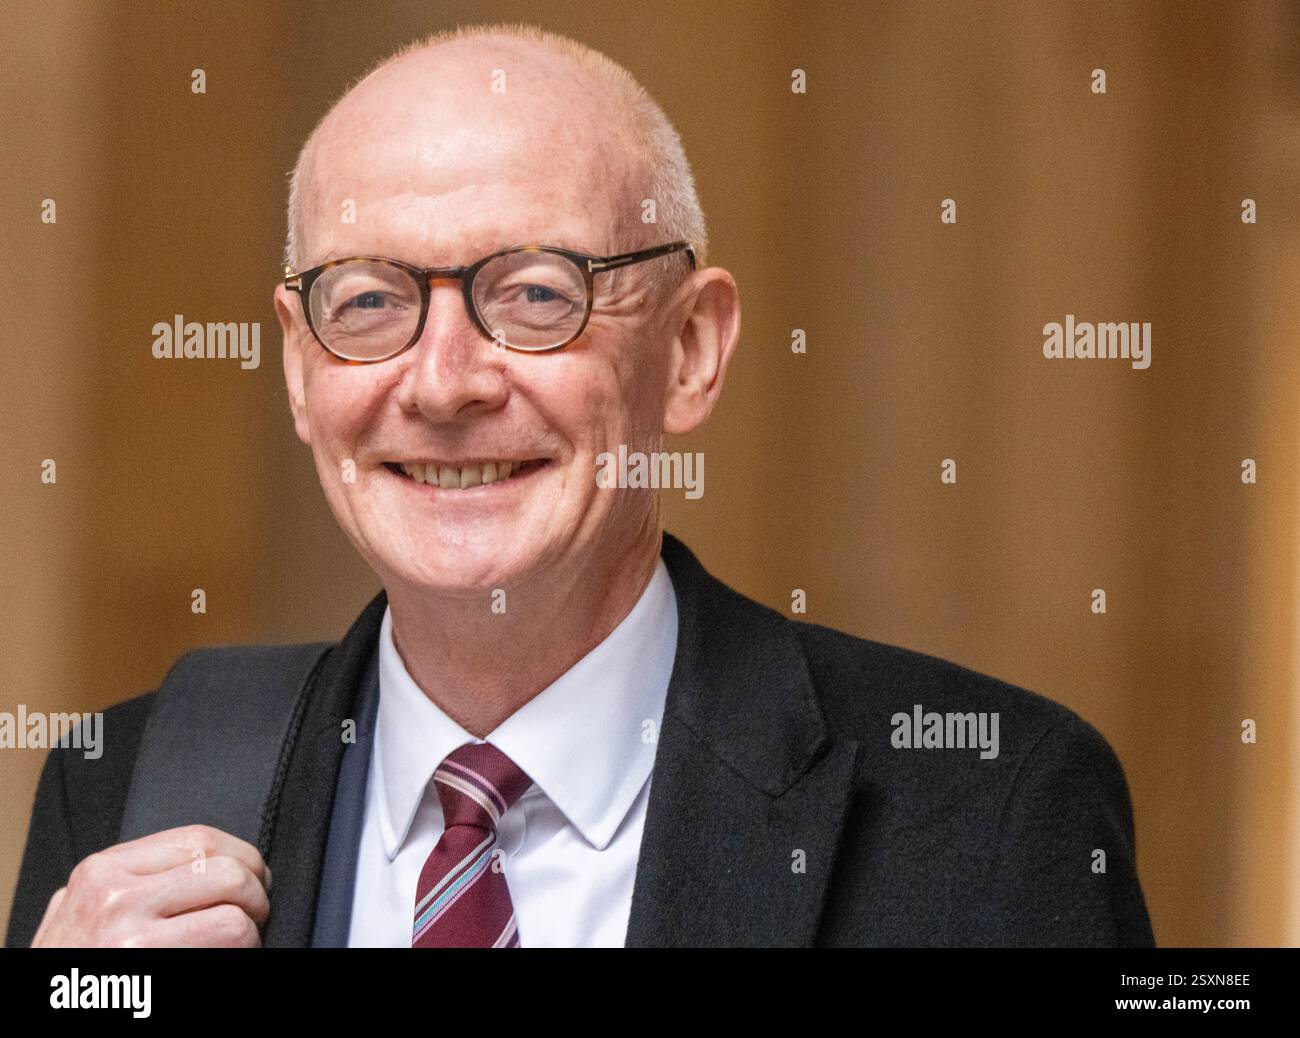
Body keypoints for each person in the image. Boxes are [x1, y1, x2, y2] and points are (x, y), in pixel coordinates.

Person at [6, 22, 1155, 948]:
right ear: (301, 369)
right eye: (366, 303)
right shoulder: (128, 797)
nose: (444, 382)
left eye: (536, 293)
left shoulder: (990, 816)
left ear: (692, 349)